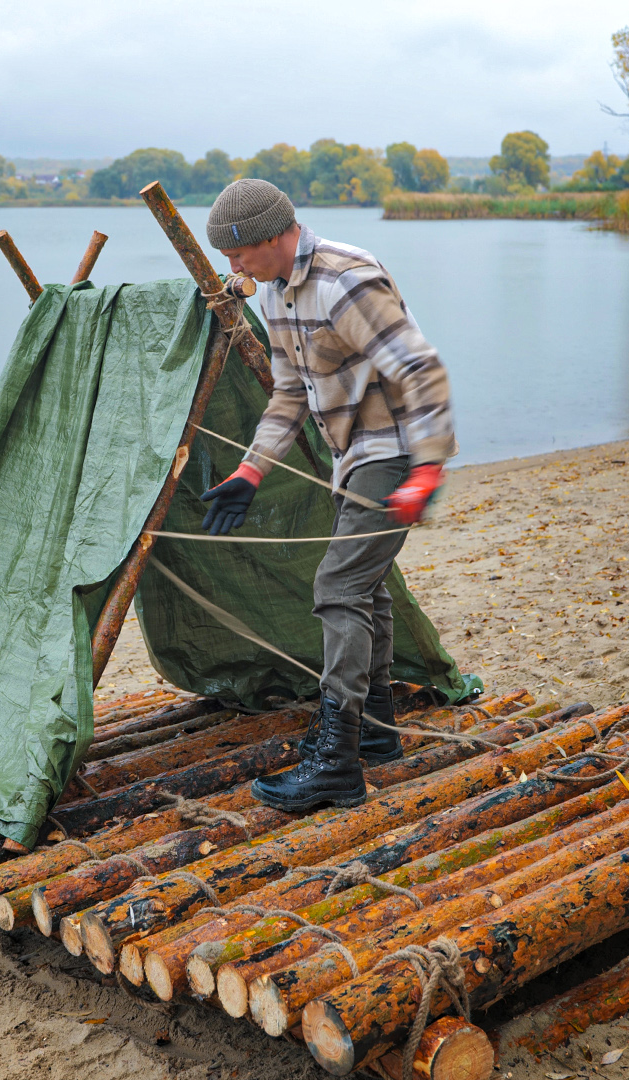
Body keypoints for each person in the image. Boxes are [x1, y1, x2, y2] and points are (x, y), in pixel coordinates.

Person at [197, 178, 455, 813]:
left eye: (238, 255)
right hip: (352, 454)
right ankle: (377, 732)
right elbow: (290, 394)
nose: (233, 269)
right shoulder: (279, 294)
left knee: (337, 587)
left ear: (274, 237)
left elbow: (421, 368)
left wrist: (427, 469)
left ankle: (336, 764)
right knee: (365, 589)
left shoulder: (346, 280)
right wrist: (250, 472)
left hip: (392, 451)